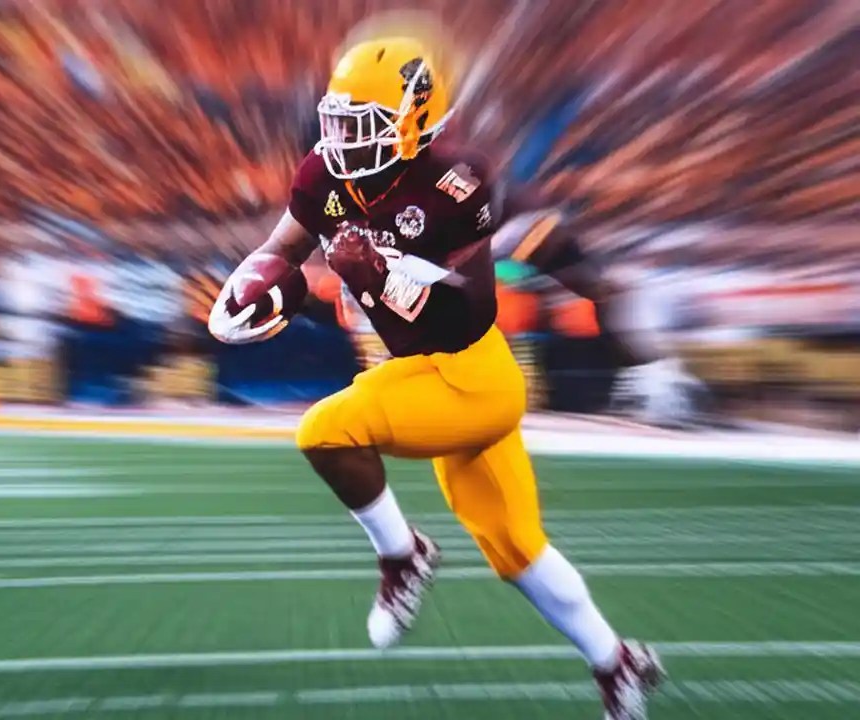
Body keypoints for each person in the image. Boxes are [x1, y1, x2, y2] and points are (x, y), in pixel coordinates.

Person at [208, 37, 667, 720]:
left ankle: (404, 554)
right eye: (337, 120)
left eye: (363, 123)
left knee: (326, 430)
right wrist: (259, 281)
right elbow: (284, 247)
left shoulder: (456, 183)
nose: (341, 140)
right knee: (518, 552)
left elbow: (472, 310)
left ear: (416, 120)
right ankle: (616, 661)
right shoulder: (322, 178)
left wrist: (383, 275)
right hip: (419, 375)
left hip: (472, 375)